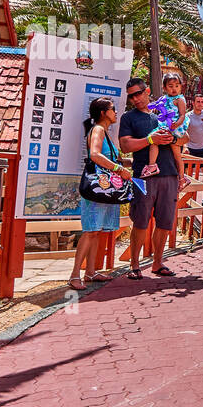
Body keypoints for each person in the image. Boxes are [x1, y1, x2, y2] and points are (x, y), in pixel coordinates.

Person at [118, 77, 187, 279]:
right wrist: (150, 140)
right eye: (131, 96)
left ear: (147, 90)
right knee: (140, 221)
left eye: (138, 93)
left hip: (170, 174)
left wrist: (173, 138)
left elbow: (186, 137)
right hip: (143, 176)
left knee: (165, 222)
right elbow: (125, 145)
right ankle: (135, 265)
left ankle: (158, 263)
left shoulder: (164, 112)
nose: (136, 99)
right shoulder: (128, 118)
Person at [70, 97, 131, 290]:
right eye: (112, 109)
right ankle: (74, 275)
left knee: (96, 232)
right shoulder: (97, 130)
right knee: (90, 231)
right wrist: (118, 168)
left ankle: (90, 272)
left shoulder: (105, 132)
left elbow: (113, 159)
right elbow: (95, 155)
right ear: (103, 113)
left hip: (104, 188)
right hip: (98, 188)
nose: (115, 112)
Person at [141, 72, 189, 178]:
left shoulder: (180, 100)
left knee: (177, 154)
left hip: (175, 127)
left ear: (181, 86)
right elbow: (157, 105)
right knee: (153, 140)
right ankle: (152, 165)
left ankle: (182, 177)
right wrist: (154, 108)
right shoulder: (164, 98)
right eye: (170, 86)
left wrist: (176, 124)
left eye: (177, 86)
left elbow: (182, 115)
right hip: (165, 124)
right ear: (164, 87)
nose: (174, 89)